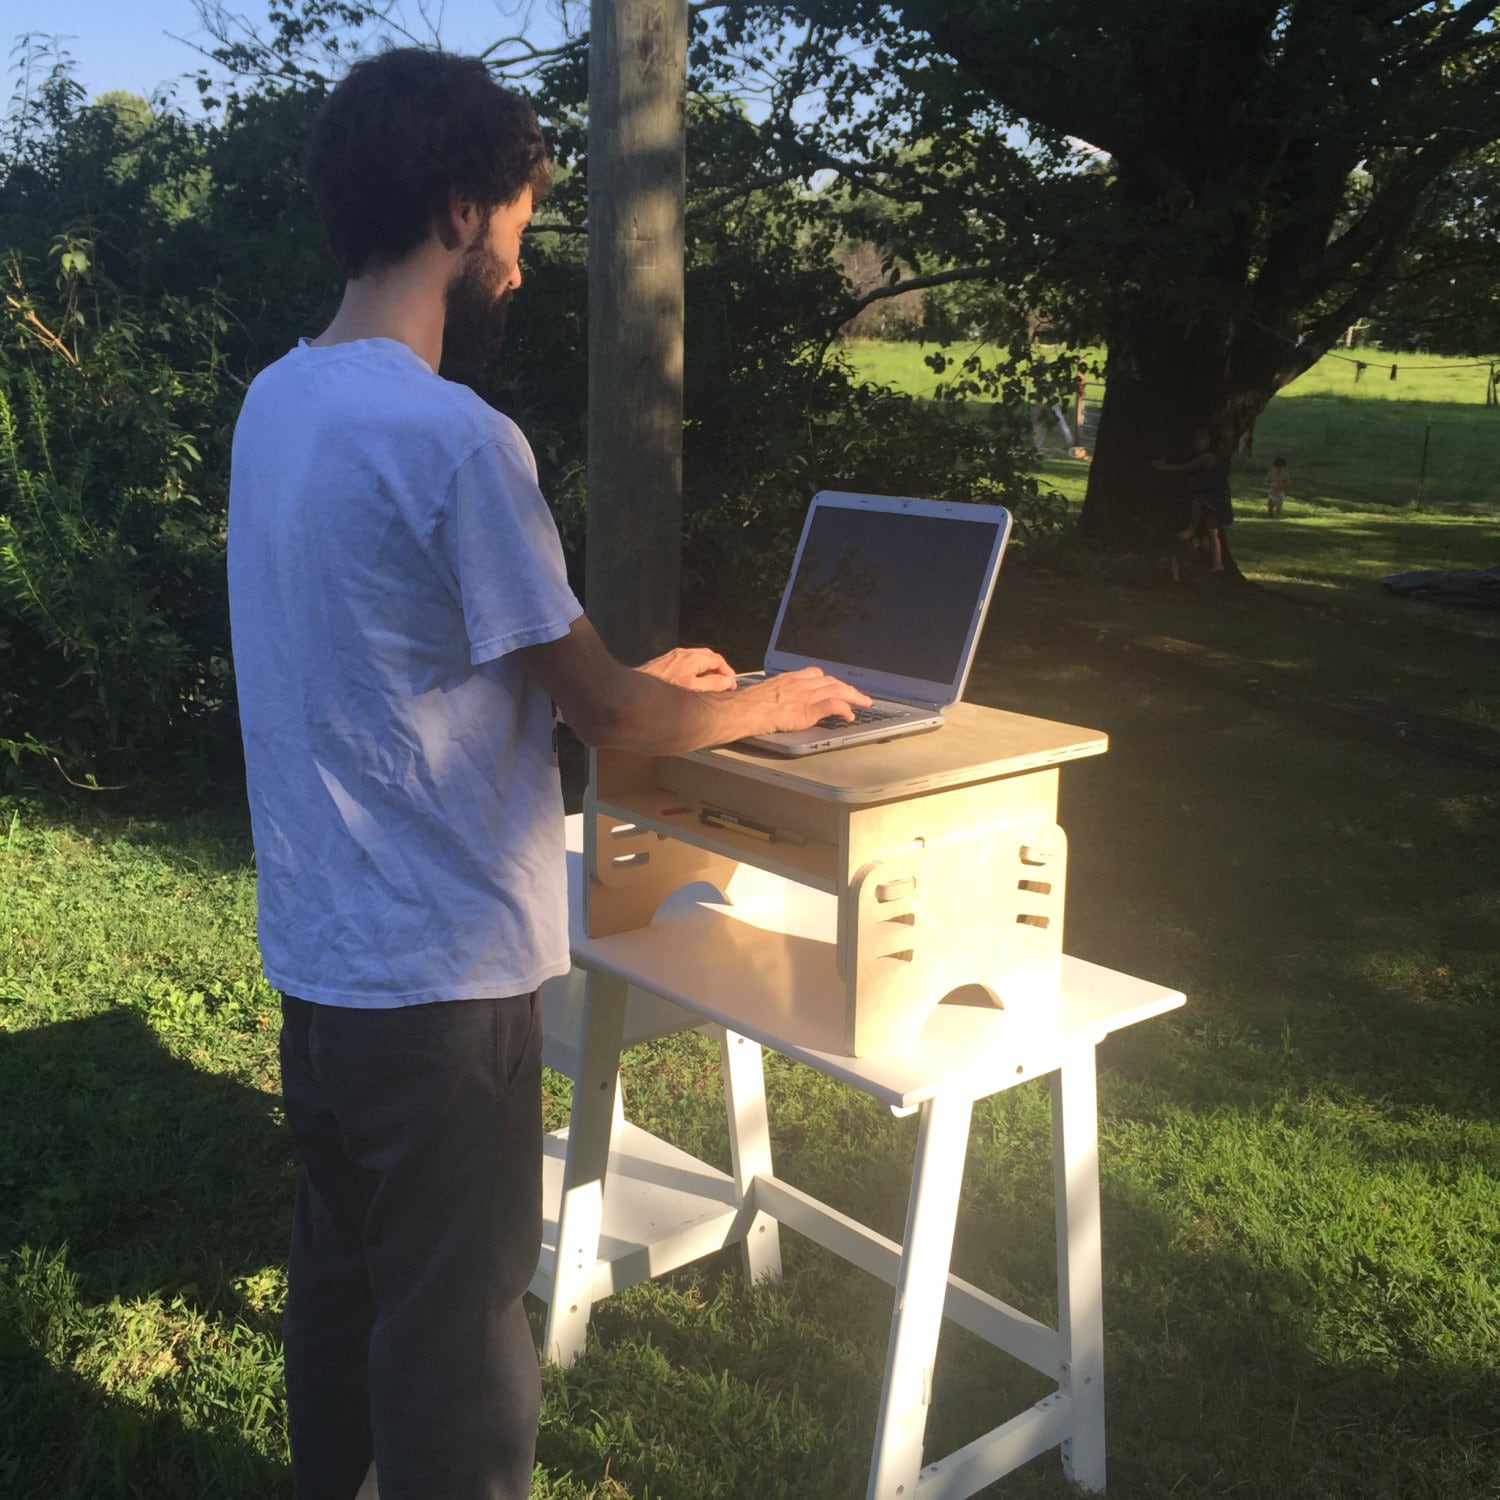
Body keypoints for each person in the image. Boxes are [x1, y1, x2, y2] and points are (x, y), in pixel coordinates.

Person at [225, 47, 868, 1500]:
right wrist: (766, 697)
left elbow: (460, 654)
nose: (521, 253)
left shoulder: (280, 401)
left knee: (342, 1283)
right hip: (443, 987)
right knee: (458, 1349)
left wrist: (666, 684)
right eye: (518, 215)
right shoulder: (459, 440)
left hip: (321, 966)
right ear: (461, 211)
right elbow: (608, 723)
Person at [1152, 426, 1233, 572]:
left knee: (1197, 505)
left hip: (1214, 496)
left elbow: (1185, 467)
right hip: (1214, 495)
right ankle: (1217, 562)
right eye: (1196, 438)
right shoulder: (1207, 456)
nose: (1197, 442)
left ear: (1210, 440)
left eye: (1202, 438)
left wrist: (1163, 468)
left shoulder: (1208, 457)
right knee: (1211, 530)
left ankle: (1192, 529)